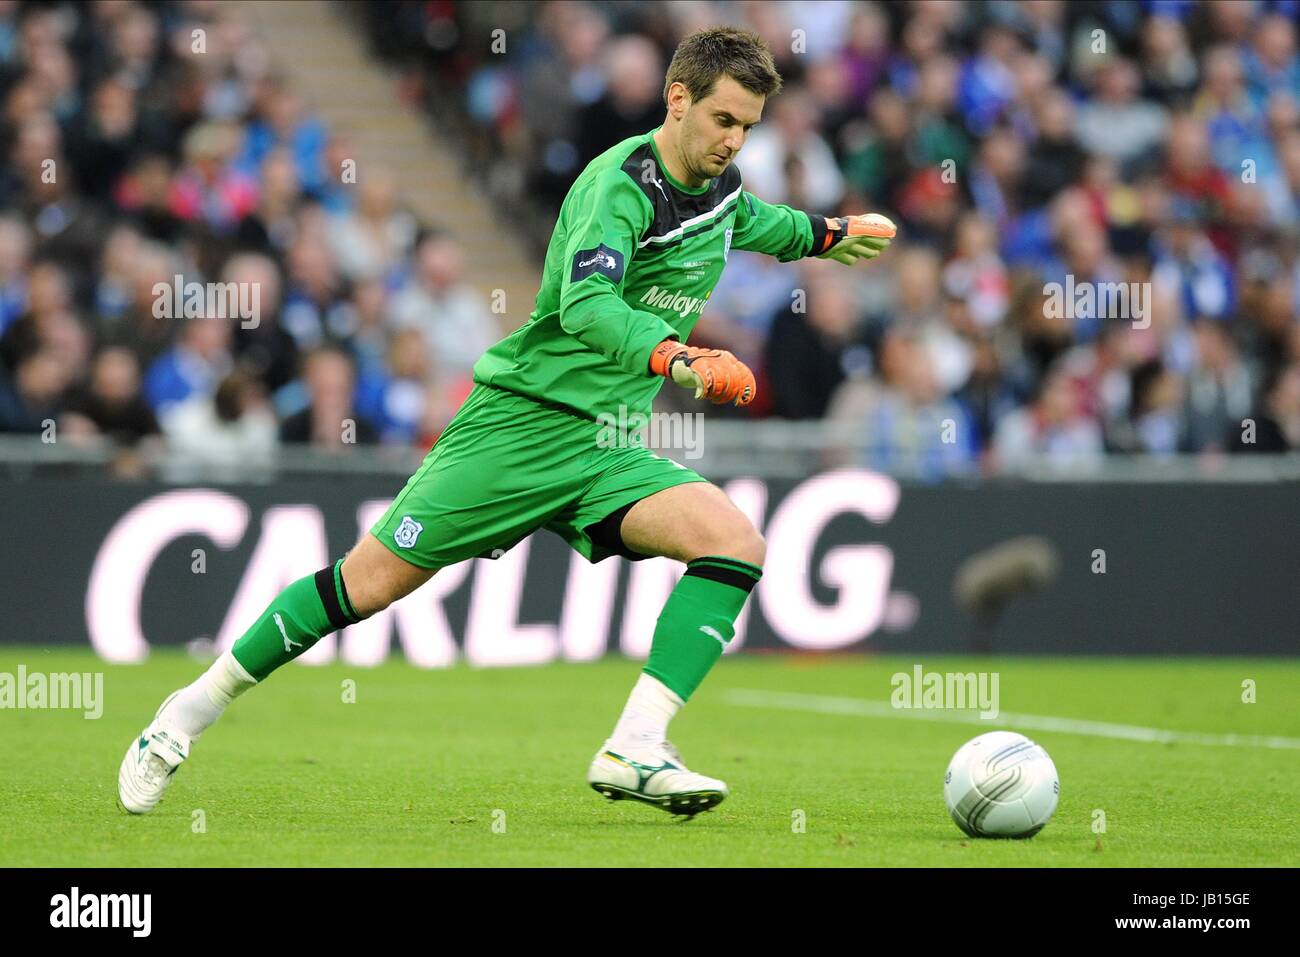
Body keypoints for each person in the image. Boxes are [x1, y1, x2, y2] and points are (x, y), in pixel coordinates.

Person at [117, 27, 894, 818]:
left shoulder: (723, 191)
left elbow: (762, 223)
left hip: (606, 448)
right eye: (724, 119)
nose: (735, 140)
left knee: (735, 541)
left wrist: (833, 236)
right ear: (678, 98)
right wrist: (675, 357)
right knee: (367, 584)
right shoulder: (618, 186)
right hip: (520, 427)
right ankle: (188, 709)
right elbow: (587, 304)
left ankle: (635, 744)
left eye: (749, 127)